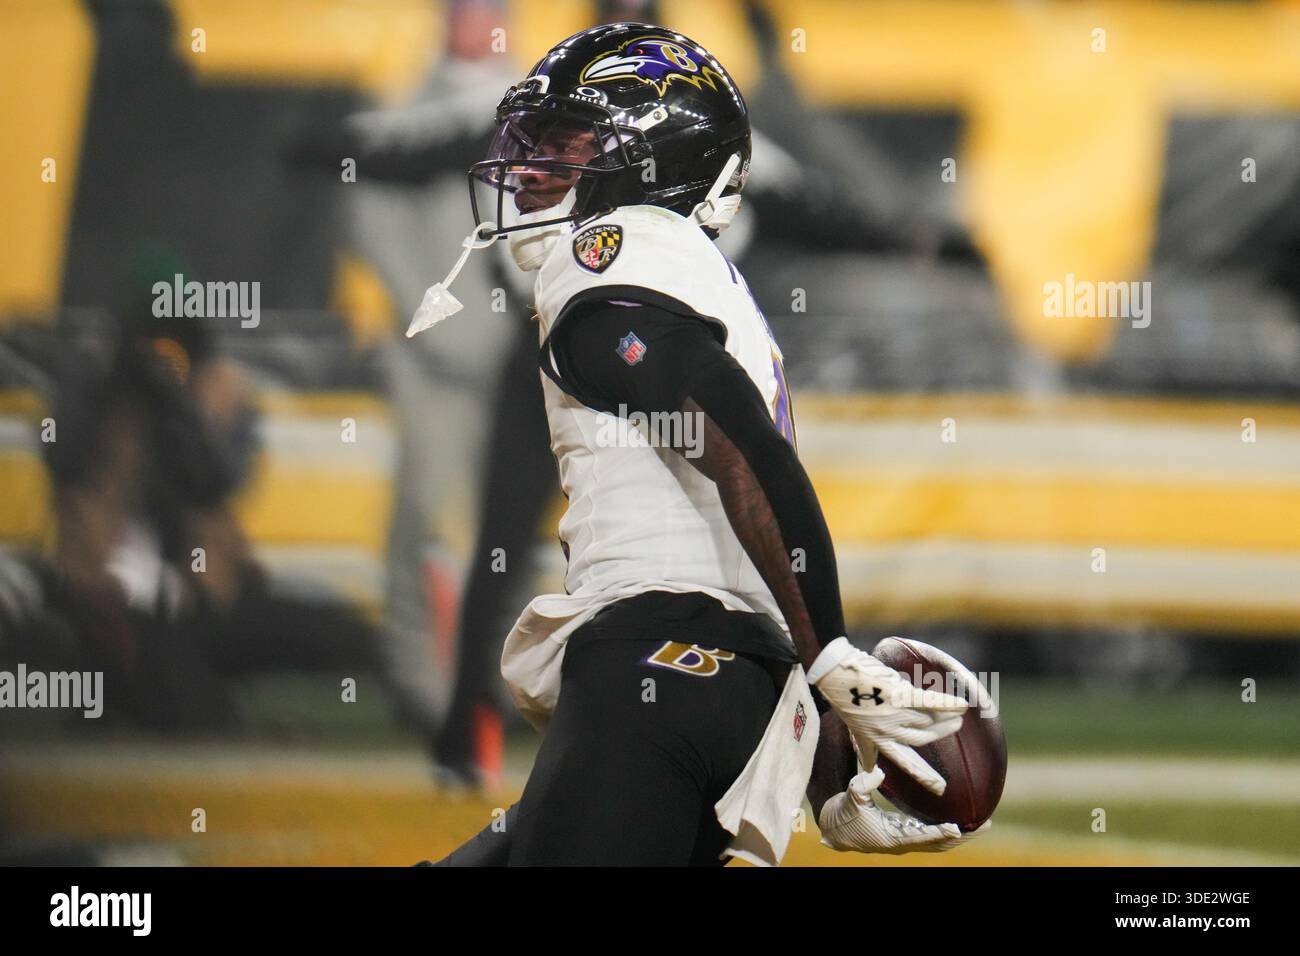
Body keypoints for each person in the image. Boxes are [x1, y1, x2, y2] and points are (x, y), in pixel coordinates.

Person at [412, 22, 984, 866]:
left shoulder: (611, 253)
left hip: (663, 663)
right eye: (533, 145)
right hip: (729, 680)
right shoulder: (702, 277)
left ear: (652, 166)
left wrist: (828, 652)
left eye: (566, 146)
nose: (529, 173)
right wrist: (819, 726)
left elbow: (745, 450)